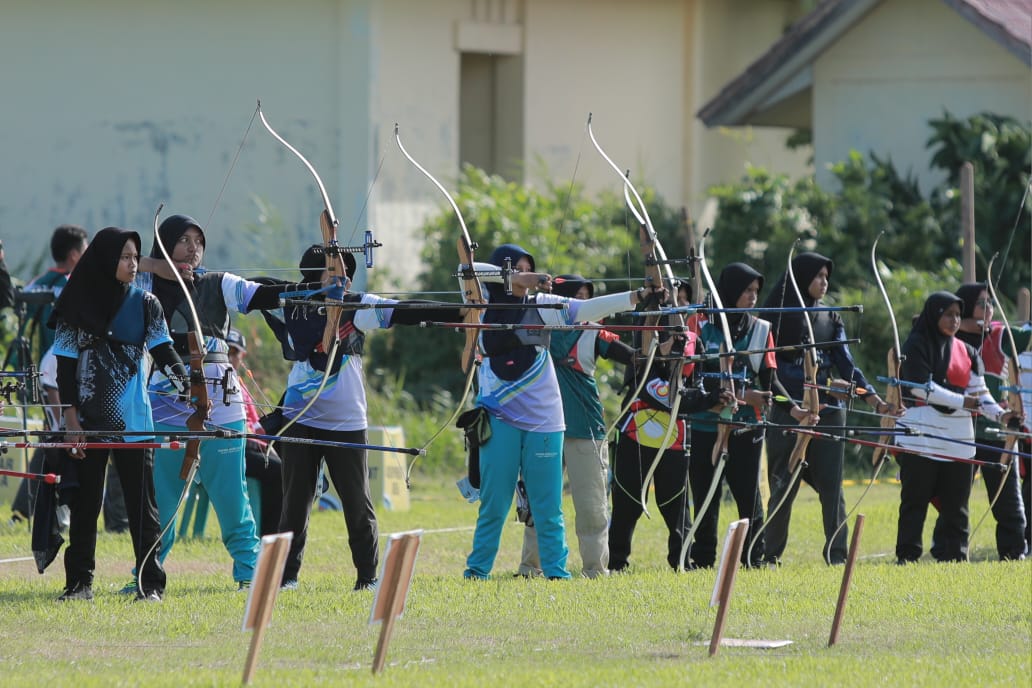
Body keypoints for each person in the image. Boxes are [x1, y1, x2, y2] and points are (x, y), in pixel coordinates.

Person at [133, 214, 326, 592]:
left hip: (221, 404)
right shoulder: (142, 284)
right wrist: (155, 266)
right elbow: (101, 264)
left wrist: (315, 290)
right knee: (163, 501)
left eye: (198, 242)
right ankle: (148, 575)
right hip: (166, 408)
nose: (193, 248)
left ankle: (249, 574)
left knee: (232, 497)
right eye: (184, 240)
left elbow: (262, 294)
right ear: (165, 244)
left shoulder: (217, 283)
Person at [464, 244, 662, 580]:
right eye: (515, 268)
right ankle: (477, 571)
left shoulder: (543, 306)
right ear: (499, 272)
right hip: (499, 417)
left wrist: (636, 296)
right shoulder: (480, 306)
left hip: (544, 420)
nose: (523, 273)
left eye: (528, 267)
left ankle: (556, 571)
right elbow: (466, 269)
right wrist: (522, 277)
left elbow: (587, 308)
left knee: (547, 505)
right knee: (494, 505)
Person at [276, 245, 468, 591]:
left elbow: (404, 310)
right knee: (295, 501)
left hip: (347, 420)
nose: (344, 279)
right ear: (313, 277)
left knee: (357, 502)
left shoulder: (356, 307)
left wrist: (461, 309)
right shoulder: (296, 307)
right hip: (300, 415)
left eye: (346, 274)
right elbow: (263, 294)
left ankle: (367, 577)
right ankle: (287, 576)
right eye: (334, 272)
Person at [49, 227, 186, 601]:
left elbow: (163, 350)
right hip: (88, 425)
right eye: (125, 257)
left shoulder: (146, 304)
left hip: (135, 422)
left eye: (134, 257)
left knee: (143, 508)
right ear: (107, 260)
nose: (132, 264)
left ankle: (150, 585)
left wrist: (187, 383)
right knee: (85, 505)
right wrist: (71, 420)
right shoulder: (73, 304)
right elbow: (64, 367)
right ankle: (79, 584)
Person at [761, 251, 889, 565]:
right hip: (787, 412)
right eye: (818, 275)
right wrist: (798, 398)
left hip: (828, 412)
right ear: (802, 278)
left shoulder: (830, 317)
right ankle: (769, 554)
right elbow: (769, 373)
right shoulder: (773, 317)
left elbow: (846, 364)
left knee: (833, 488)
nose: (824, 281)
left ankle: (838, 555)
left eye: (826, 276)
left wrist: (873, 399)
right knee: (783, 484)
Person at [516, 274, 636, 579]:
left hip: (585, 428)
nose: (585, 305)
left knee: (593, 505)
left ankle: (595, 570)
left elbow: (635, 357)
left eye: (588, 298)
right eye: (578, 297)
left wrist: (662, 347)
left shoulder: (595, 333)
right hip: (544, 427)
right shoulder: (537, 326)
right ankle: (531, 567)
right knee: (540, 502)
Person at [608, 281, 732, 572]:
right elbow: (656, 390)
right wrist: (700, 399)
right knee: (627, 502)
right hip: (635, 430)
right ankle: (616, 563)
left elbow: (693, 390)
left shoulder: (694, 342)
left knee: (676, 505)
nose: (679, 308)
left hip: (674, 436)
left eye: (684, 301)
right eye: (673, 302)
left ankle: (681, 561)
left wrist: (714, 396)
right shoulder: (646, 337)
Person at [894, 292, 1018, 563]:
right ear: (935, 314)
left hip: (958, 439)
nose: (954, 320)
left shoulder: (967, 350)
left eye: (958, 315)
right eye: (948, 314)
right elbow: (920, 387)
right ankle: (907, 556)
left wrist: (1001, 415)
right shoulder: (916, 344)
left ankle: (955, 556)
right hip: (922, 437)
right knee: (915, 502)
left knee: (957, 506)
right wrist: (964, 401)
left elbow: (980, 391)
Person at [686, 262, 778, 568]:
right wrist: (740, 396)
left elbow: (770, 382)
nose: (753, 297)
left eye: (756, 291)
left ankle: (754, 557)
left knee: (748, 496)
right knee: (705, 496)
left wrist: (793, 407)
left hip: (747, 427)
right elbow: (693, 379)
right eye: (746, 290)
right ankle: (703, 560)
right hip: (705, 425)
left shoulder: (762, 330)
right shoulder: (700, 325)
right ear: (730, 291)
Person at [953, 283, 1029, 560]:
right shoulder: (949, 336)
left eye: (991, 304)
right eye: (981, 304)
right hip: (960, 431)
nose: (988, 310)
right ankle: (951, 553)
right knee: (954, 501)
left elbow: (1027, 335)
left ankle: (1013, 552)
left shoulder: (999, 335)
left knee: (1007, 502)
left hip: (996, 432)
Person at [226, 328, 283, 537]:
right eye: (226, 353)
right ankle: (269, 535)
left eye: (234, 353)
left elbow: (255, 423)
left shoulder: (241, 384)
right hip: (232, 448)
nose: (230, 358)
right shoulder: (215, 381)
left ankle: (284, 529)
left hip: (250, 444)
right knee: (278, 470)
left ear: (242, 357)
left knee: (293, 463)